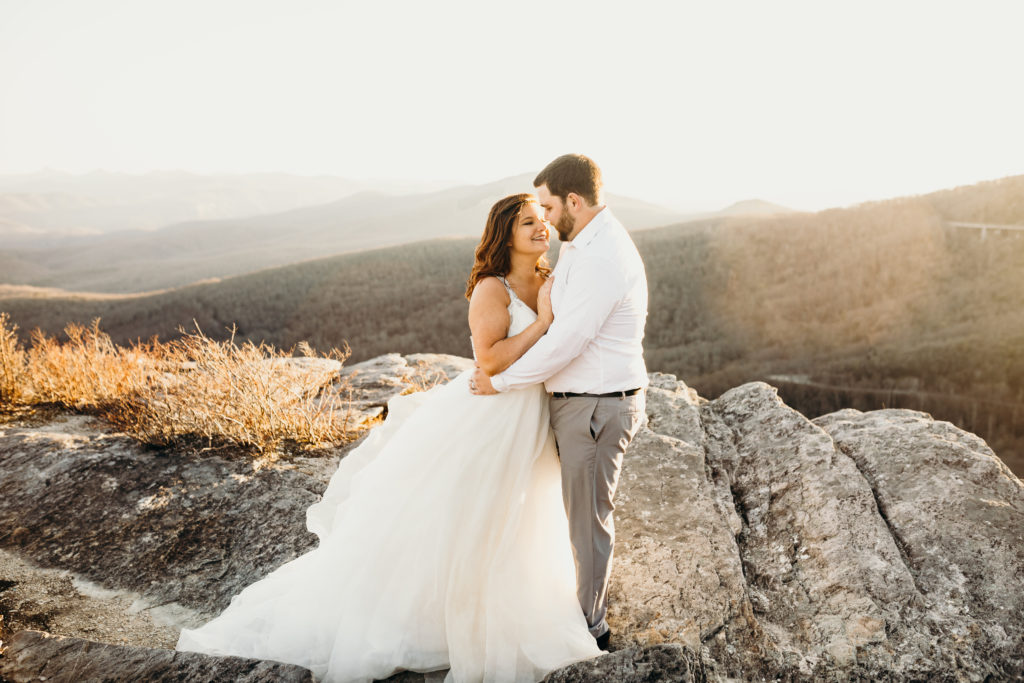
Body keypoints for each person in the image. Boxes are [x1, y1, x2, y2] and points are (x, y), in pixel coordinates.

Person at [175, 193, 602, 683]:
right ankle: (446, 619)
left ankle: (514, 604)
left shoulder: (551, 278)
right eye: (526, 223)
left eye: (540, 220)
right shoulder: (492, 288)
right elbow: (490, 360)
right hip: (493, 418)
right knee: (475, 515)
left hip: (534, 417)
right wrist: (544, 323)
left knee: (525, 517)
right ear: (504, 234)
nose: (540, 228)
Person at [470, 154, 649, 652]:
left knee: (587, 518)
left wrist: (502, 384)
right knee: (566, 512)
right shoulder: (586, 243)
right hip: (579, 405)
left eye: (547, 207)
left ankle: (591, 627)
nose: (545, 219)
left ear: (574, 201)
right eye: (532, 216)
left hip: (594, 407)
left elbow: (566, 340)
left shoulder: (599, 255)